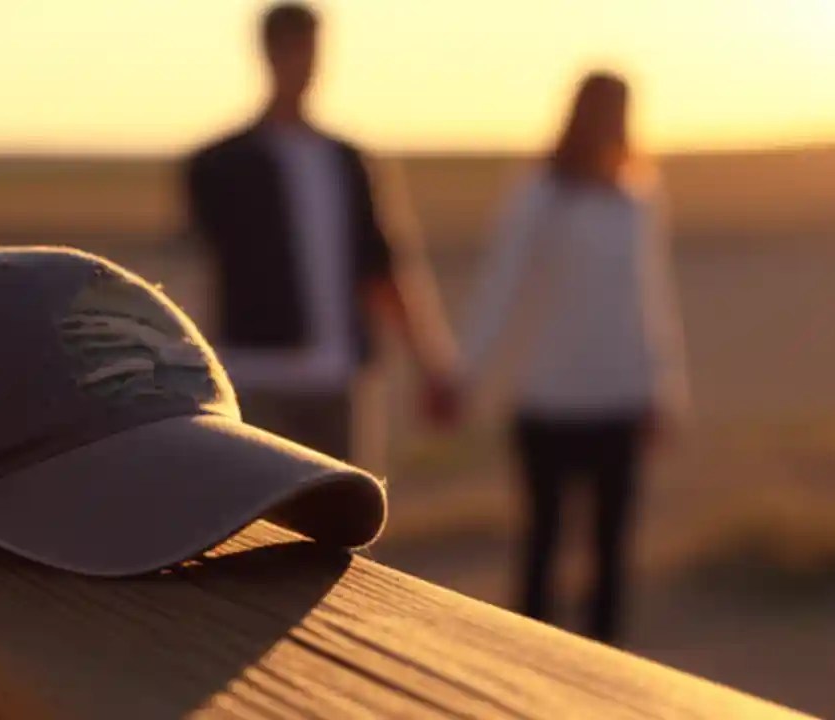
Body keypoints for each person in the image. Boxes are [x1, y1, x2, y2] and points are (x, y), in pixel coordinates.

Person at [460, 72, 689, 644]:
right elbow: (502, 286)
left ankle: (600, 685)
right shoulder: (541, 195)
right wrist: (465, 373)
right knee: (542, 549)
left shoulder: (637, 196)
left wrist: (663, 389)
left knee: (610, 559)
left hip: (620, 403)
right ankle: (528, 682)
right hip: (549, 403)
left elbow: (649, 299)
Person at [185, 2, 457, 466]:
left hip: (339, 377)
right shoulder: (219, 165)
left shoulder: (347, 162)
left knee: (346, 525)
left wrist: (430, 362)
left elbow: (381, 267)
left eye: (310, 50)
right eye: (293, 49)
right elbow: (196, 273)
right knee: (260, 527)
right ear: (268, 53)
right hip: (257, 375)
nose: (303, 63)